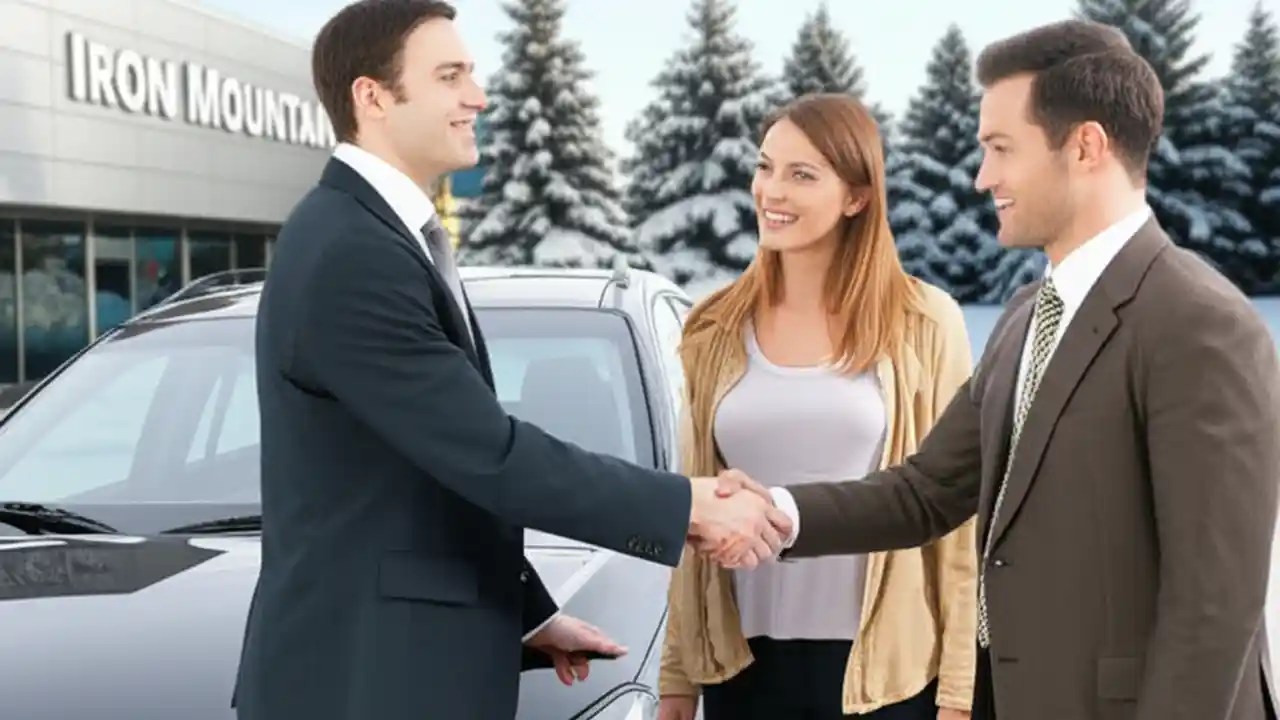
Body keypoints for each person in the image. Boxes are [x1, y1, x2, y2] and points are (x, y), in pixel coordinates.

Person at [231, 2, 791, 720]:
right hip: (362, 685)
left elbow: (421, 471)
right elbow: (486, 452)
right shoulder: (352, 253)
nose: (479, 95)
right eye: (450, 75)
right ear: (372, 97)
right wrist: (686, 504)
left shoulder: (375, 236)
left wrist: (524, 611)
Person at [710, 19, 1280, 720]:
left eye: (1000, 149)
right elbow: (925, 492)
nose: (984, 178)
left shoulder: (1200, 325)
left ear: (1086, 147)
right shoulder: (1026, 315)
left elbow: (1213, 608)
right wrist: (780, 512)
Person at [656, 94, 978, 720]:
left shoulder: (925, 322)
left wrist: (961, 697)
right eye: (765, 166)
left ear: (857, 196)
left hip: (883, 678)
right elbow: (692, 515)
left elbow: (956, 523)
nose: (771, 190)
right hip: (741, 670)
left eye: (802, 174)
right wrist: (677, 684)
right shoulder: (713, 327)